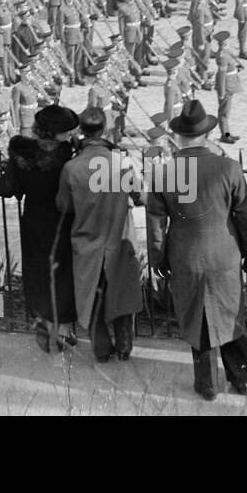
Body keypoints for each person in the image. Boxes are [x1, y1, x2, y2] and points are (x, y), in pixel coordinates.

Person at [147, 100, 247, 400]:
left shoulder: (164, 173)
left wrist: (157, 259)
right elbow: (245, 216)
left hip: (186, 256)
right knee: (230, 314)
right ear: (206, 135)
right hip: (225, 253)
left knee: (198, 318)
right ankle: (241, 379)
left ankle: (207, 384)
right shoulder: (228, 167)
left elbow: (156, 223)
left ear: (178, 138)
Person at [57, 106, 143, 363]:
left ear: (81, 131)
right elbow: (139, 197)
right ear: (104, 129)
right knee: (121, 293)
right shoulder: (123, 164)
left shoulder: (72, 168)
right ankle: (125, 343)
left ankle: (102, 348)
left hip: (88, 241)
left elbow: (64, 206)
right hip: (119, 238)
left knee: (92, 297)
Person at [0, 104, 79, 352]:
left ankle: (42, 321)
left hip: (34, 220)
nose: (70, 136)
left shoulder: (22, 153)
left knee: (38, 272)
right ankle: (64, 328)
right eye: (66, 131)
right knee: (63, 272)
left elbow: (6, 189)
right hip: (62, 220)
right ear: (55, 133)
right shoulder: (68, 156)